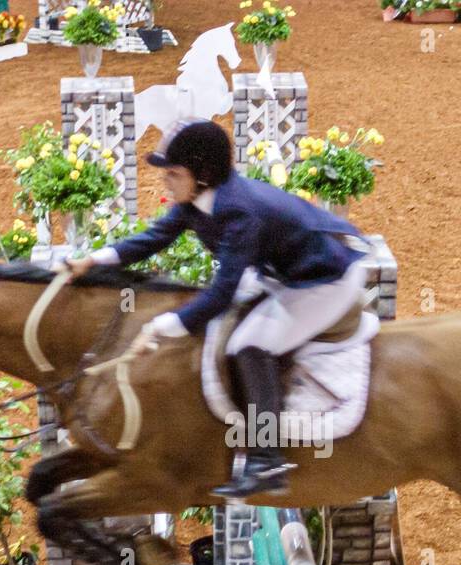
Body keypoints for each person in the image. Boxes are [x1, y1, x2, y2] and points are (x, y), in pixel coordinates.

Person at [69, 120, 369, 498]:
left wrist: (164, 325)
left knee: (248, 344)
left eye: (174, 173)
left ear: (203, 175)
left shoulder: (239, 212)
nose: (165, 180)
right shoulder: (196, 201)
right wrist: (92, 261)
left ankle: (266, 460)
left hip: (326, 280)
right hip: (283, 273)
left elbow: (222, 293)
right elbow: (154, 238)